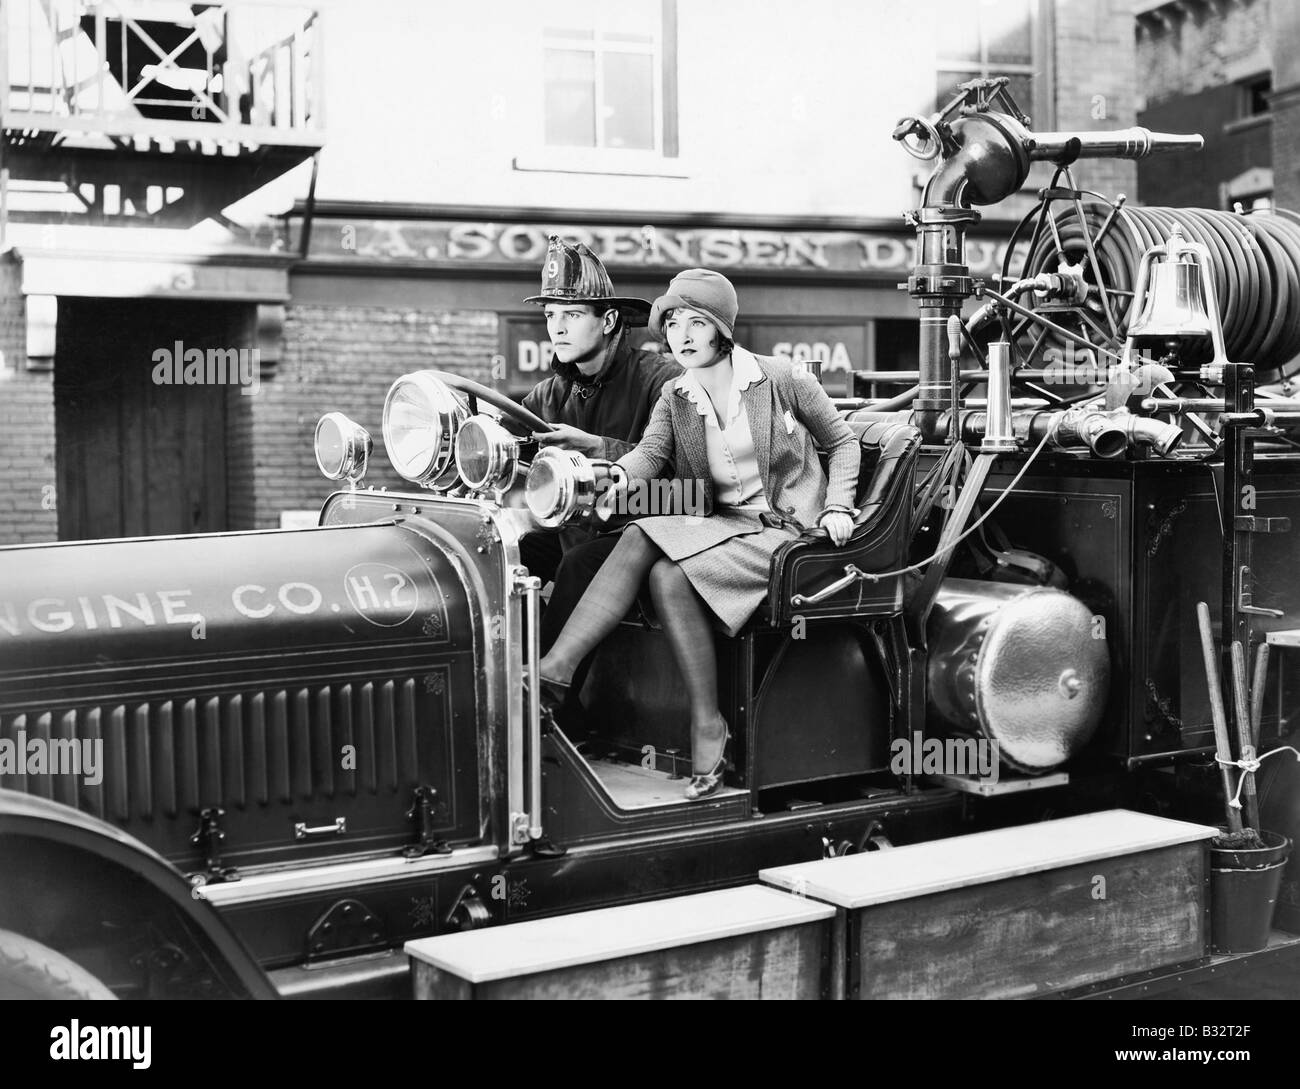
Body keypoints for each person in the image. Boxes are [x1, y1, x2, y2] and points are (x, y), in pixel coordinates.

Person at [534, 269, 859, 800]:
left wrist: (838, 505)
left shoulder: (781, 377)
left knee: (654, 552)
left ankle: (556, 673)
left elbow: (843, 443)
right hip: (720, 525)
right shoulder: (675, 394)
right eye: (673, 322)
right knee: (656, 560)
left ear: (722, 328)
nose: (682, 335)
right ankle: (700, 721)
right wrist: (616, 479)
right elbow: (647, 456)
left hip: (786, 531)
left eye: (696, 322)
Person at [515, 235, 682, 659]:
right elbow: (509, 452)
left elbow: (687, 481)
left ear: (608, 321)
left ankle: (550, 702)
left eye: (572, 314)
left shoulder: (661, 381)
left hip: (650, 532)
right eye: (552, 315)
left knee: (579, 563)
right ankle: (504, 673)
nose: (557, 327)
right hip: (579, 531)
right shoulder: (546, 395)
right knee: (510, 554)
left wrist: (599, 449)